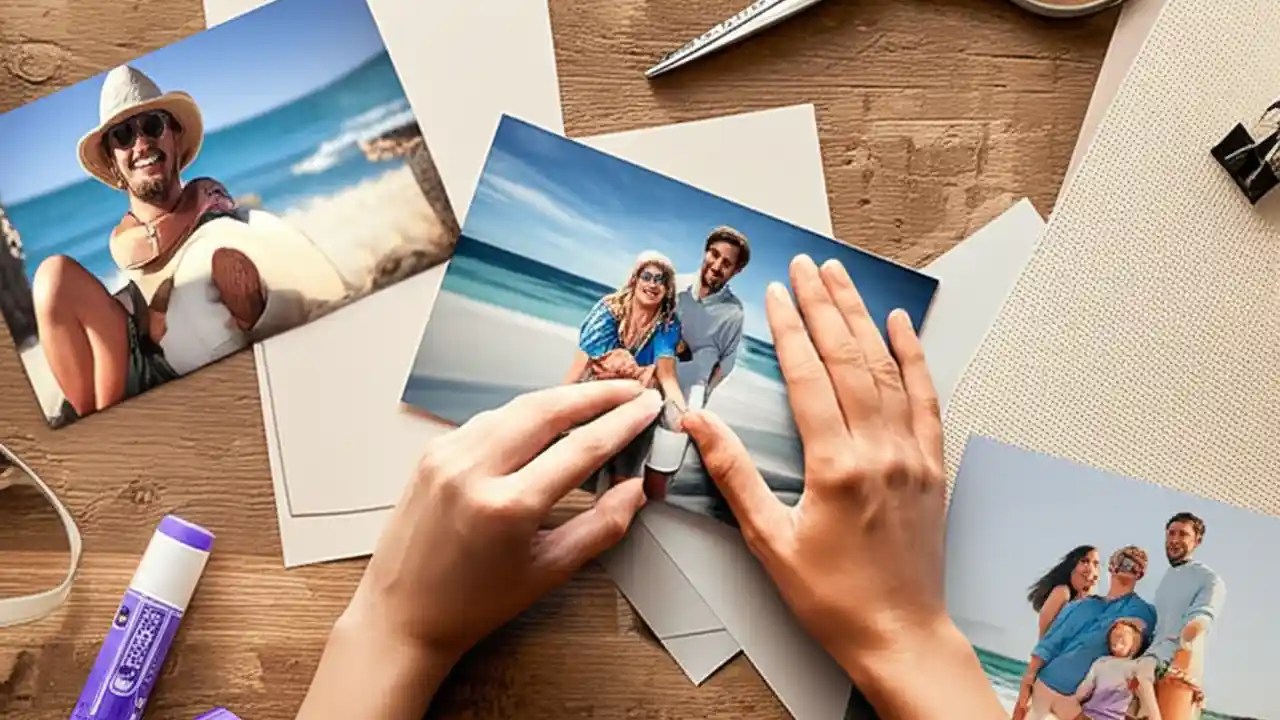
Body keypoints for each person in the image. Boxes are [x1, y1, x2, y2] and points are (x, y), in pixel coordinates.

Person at [292, 254, 1008, 719]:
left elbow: (666, 370)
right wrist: (906, 637)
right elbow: (585, 359)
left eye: (663, 282)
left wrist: (393, 633)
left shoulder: (675, 327)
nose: (656, 288)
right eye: (649, 279)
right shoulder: (606, 314)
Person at [31, 64, 340, 427]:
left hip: (187, 354)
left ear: (175, 138)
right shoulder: (131, 238)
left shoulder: (213, 213)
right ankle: (92, 423)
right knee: (52, 276)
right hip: (130, 351)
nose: (141, 144)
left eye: (152, 126)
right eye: (123, 135)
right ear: (113, 162)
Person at [1012, 546, 1158, 720]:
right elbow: (1050, 643)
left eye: (1135, 564)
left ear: (1141, 574)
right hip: (1045, 684)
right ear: (1111, 565)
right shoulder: (1082, 605)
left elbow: (1143, 649)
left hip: (1078, 701)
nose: (1128, 565)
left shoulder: (1144, 611)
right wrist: (1028, 679)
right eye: (1123, 560)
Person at [1130, 512, 1226, 720]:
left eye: (1183, 534)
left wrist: (1183, 659)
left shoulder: (1208, 579)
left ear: (1197, 540)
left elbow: (1201, 619)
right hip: (1151, 661)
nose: (1174, 539)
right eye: (1171, 533)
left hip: (1177, 665)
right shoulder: (1166, 579)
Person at [563, 251, 686, 412]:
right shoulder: (609, 309)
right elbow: (580, 366)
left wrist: (682, 413)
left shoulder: (667, 324)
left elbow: (667, 376)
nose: (652, 284)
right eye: (646, 277)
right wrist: (562, 402)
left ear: (668, 289)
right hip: (595, 388)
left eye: (660, 280)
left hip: (635, 399)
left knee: (653, 386)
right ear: (635, 280)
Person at [671, 226, 750, 408]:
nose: (716, 266)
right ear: (705, 251)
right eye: (714, 255)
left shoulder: (733, 313)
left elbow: (724, 365)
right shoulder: (673, 285)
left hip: (688, 398)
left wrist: (702, 398)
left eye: (726, 263)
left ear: (736, 270)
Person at [1052, 618, 1150, 720]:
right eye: (1115, 637)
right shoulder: (1102, 663)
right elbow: (1083, 690)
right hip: (1093, 714)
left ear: (1134, 644)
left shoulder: (1133, 667)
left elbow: (1141, 691)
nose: (1117, 638)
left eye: (1122, 638)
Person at [1027, 545, 1101, 638]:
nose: (1090, 567)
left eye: (1095, 564)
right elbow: (1043, 635)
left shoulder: (1088, 601)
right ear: (1072, 566)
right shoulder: (1062, 592)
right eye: (1084, 561)